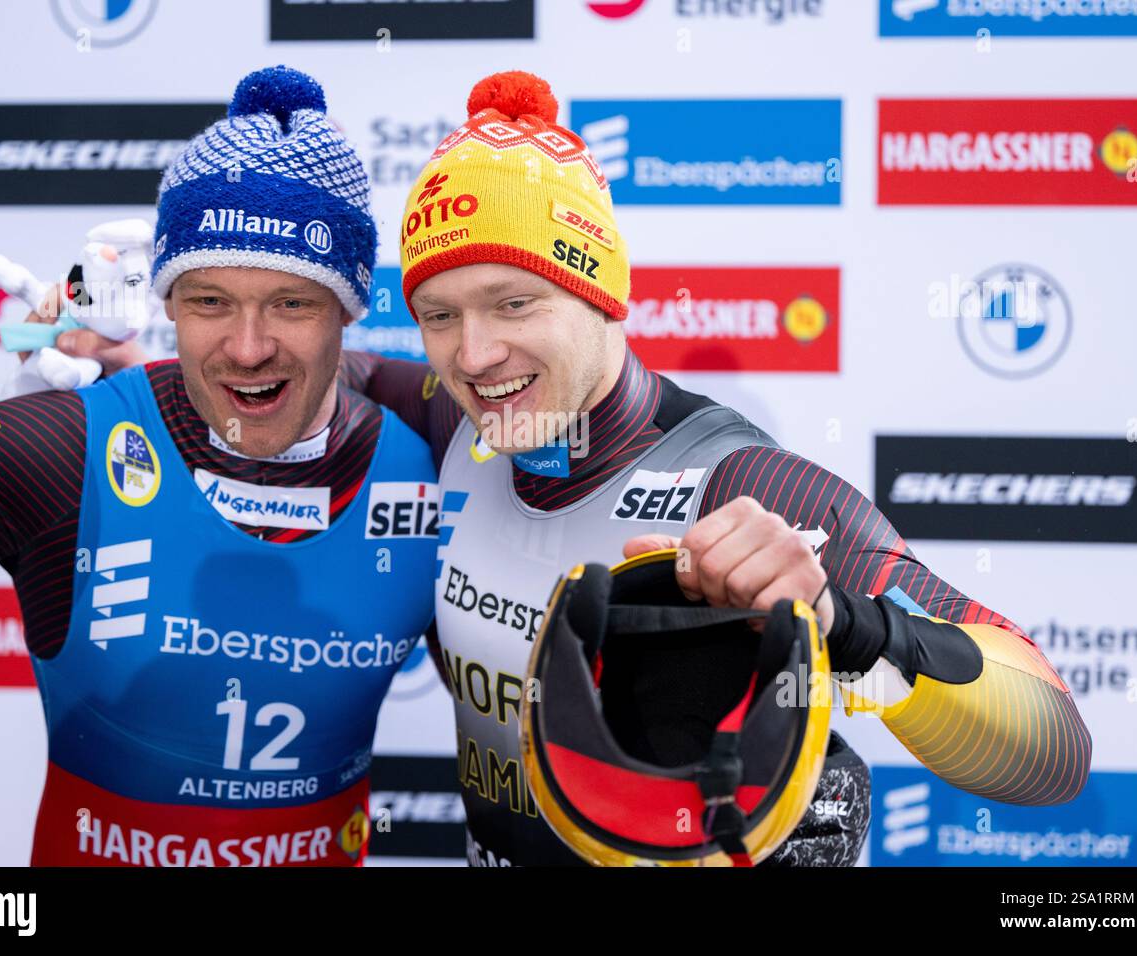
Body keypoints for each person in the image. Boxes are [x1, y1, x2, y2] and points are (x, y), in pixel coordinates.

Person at [343, 71, 1093, 867]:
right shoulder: (451, 418)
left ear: (600, 296)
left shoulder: (739, 482)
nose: (476, 353)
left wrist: (846, 626)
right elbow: (311, 372)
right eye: (439, 315)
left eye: (514, 303)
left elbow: (1057, 752)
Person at [0, 66, 438, 866]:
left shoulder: (432, 454)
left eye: (292, 302)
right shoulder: (70, 444)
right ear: (167, 306)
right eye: (209, 302)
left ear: (349, 306)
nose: (248, 345)